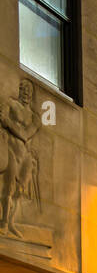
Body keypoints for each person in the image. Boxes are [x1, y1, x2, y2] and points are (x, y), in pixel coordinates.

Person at [0, 78, 41, 237]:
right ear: (19, 90)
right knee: (8, 187)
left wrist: (8, 122)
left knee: (20, 190)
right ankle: (3, 222)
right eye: (23, 89)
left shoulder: (35, 118)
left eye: (29, 91)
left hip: (25, 156)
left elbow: (25, 135)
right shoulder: (11, 104)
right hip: (11, 150)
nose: (26, 93)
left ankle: (11, 222)